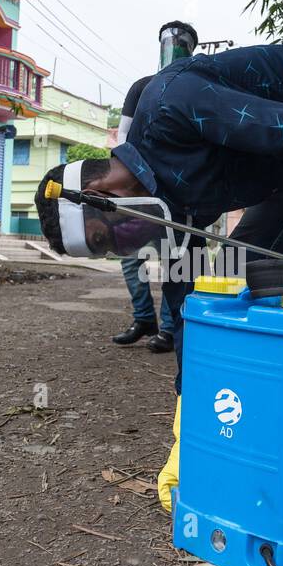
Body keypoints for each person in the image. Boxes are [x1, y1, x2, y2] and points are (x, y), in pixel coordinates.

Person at [35, 43, 283, 537]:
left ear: (102, 196)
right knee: (237, 282)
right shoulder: (167, 217)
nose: (121, 247)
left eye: (104, 236)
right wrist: (186, 445)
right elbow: (194, 323)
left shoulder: (173, 103)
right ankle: (269, 441)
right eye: (108, 251)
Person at [108, 22, 199, 353]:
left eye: (181, 41)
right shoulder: (142, 87)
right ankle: (144, 317)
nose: (174, 46)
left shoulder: (198, 87)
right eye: (169, 40)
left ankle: (171, 330)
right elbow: (123, 140)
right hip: (142, 191)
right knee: (130, 256)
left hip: (181, 195)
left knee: (174, 260)